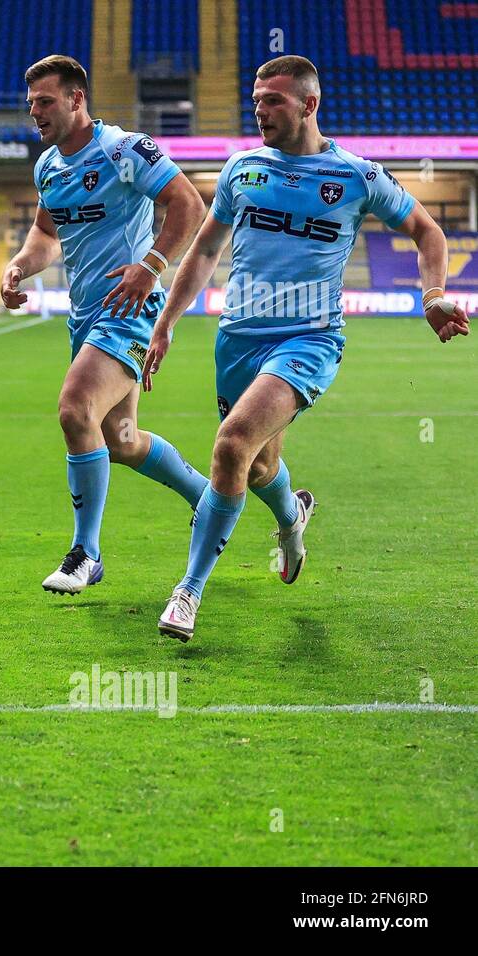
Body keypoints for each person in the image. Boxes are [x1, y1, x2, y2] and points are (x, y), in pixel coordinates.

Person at [142, 55, 469, 641]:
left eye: (273, 100)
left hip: (309, 339)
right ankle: (292, 519)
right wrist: (166, 323)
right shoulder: (241, 169)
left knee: (232, 444)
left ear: (309, 105)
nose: (260, 109)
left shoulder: (357, 176)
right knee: (259, 464)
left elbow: (429, 231)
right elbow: (206, 252)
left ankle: (188, 591)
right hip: (237, 339)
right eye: (257, 98)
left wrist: (434, 293)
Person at [1, 54, 210, 595]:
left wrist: (151, 266)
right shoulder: (48, 165)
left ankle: (85, 554)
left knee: (75, 410)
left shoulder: (125, 149)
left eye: (45, 102)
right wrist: (20, 265)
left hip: (131, 310)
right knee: (119, 438)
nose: (35, 113)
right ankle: (206, 497)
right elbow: (47, 235)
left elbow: (186, 203)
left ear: (76, 98)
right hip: (85, 317)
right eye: (31, 105)